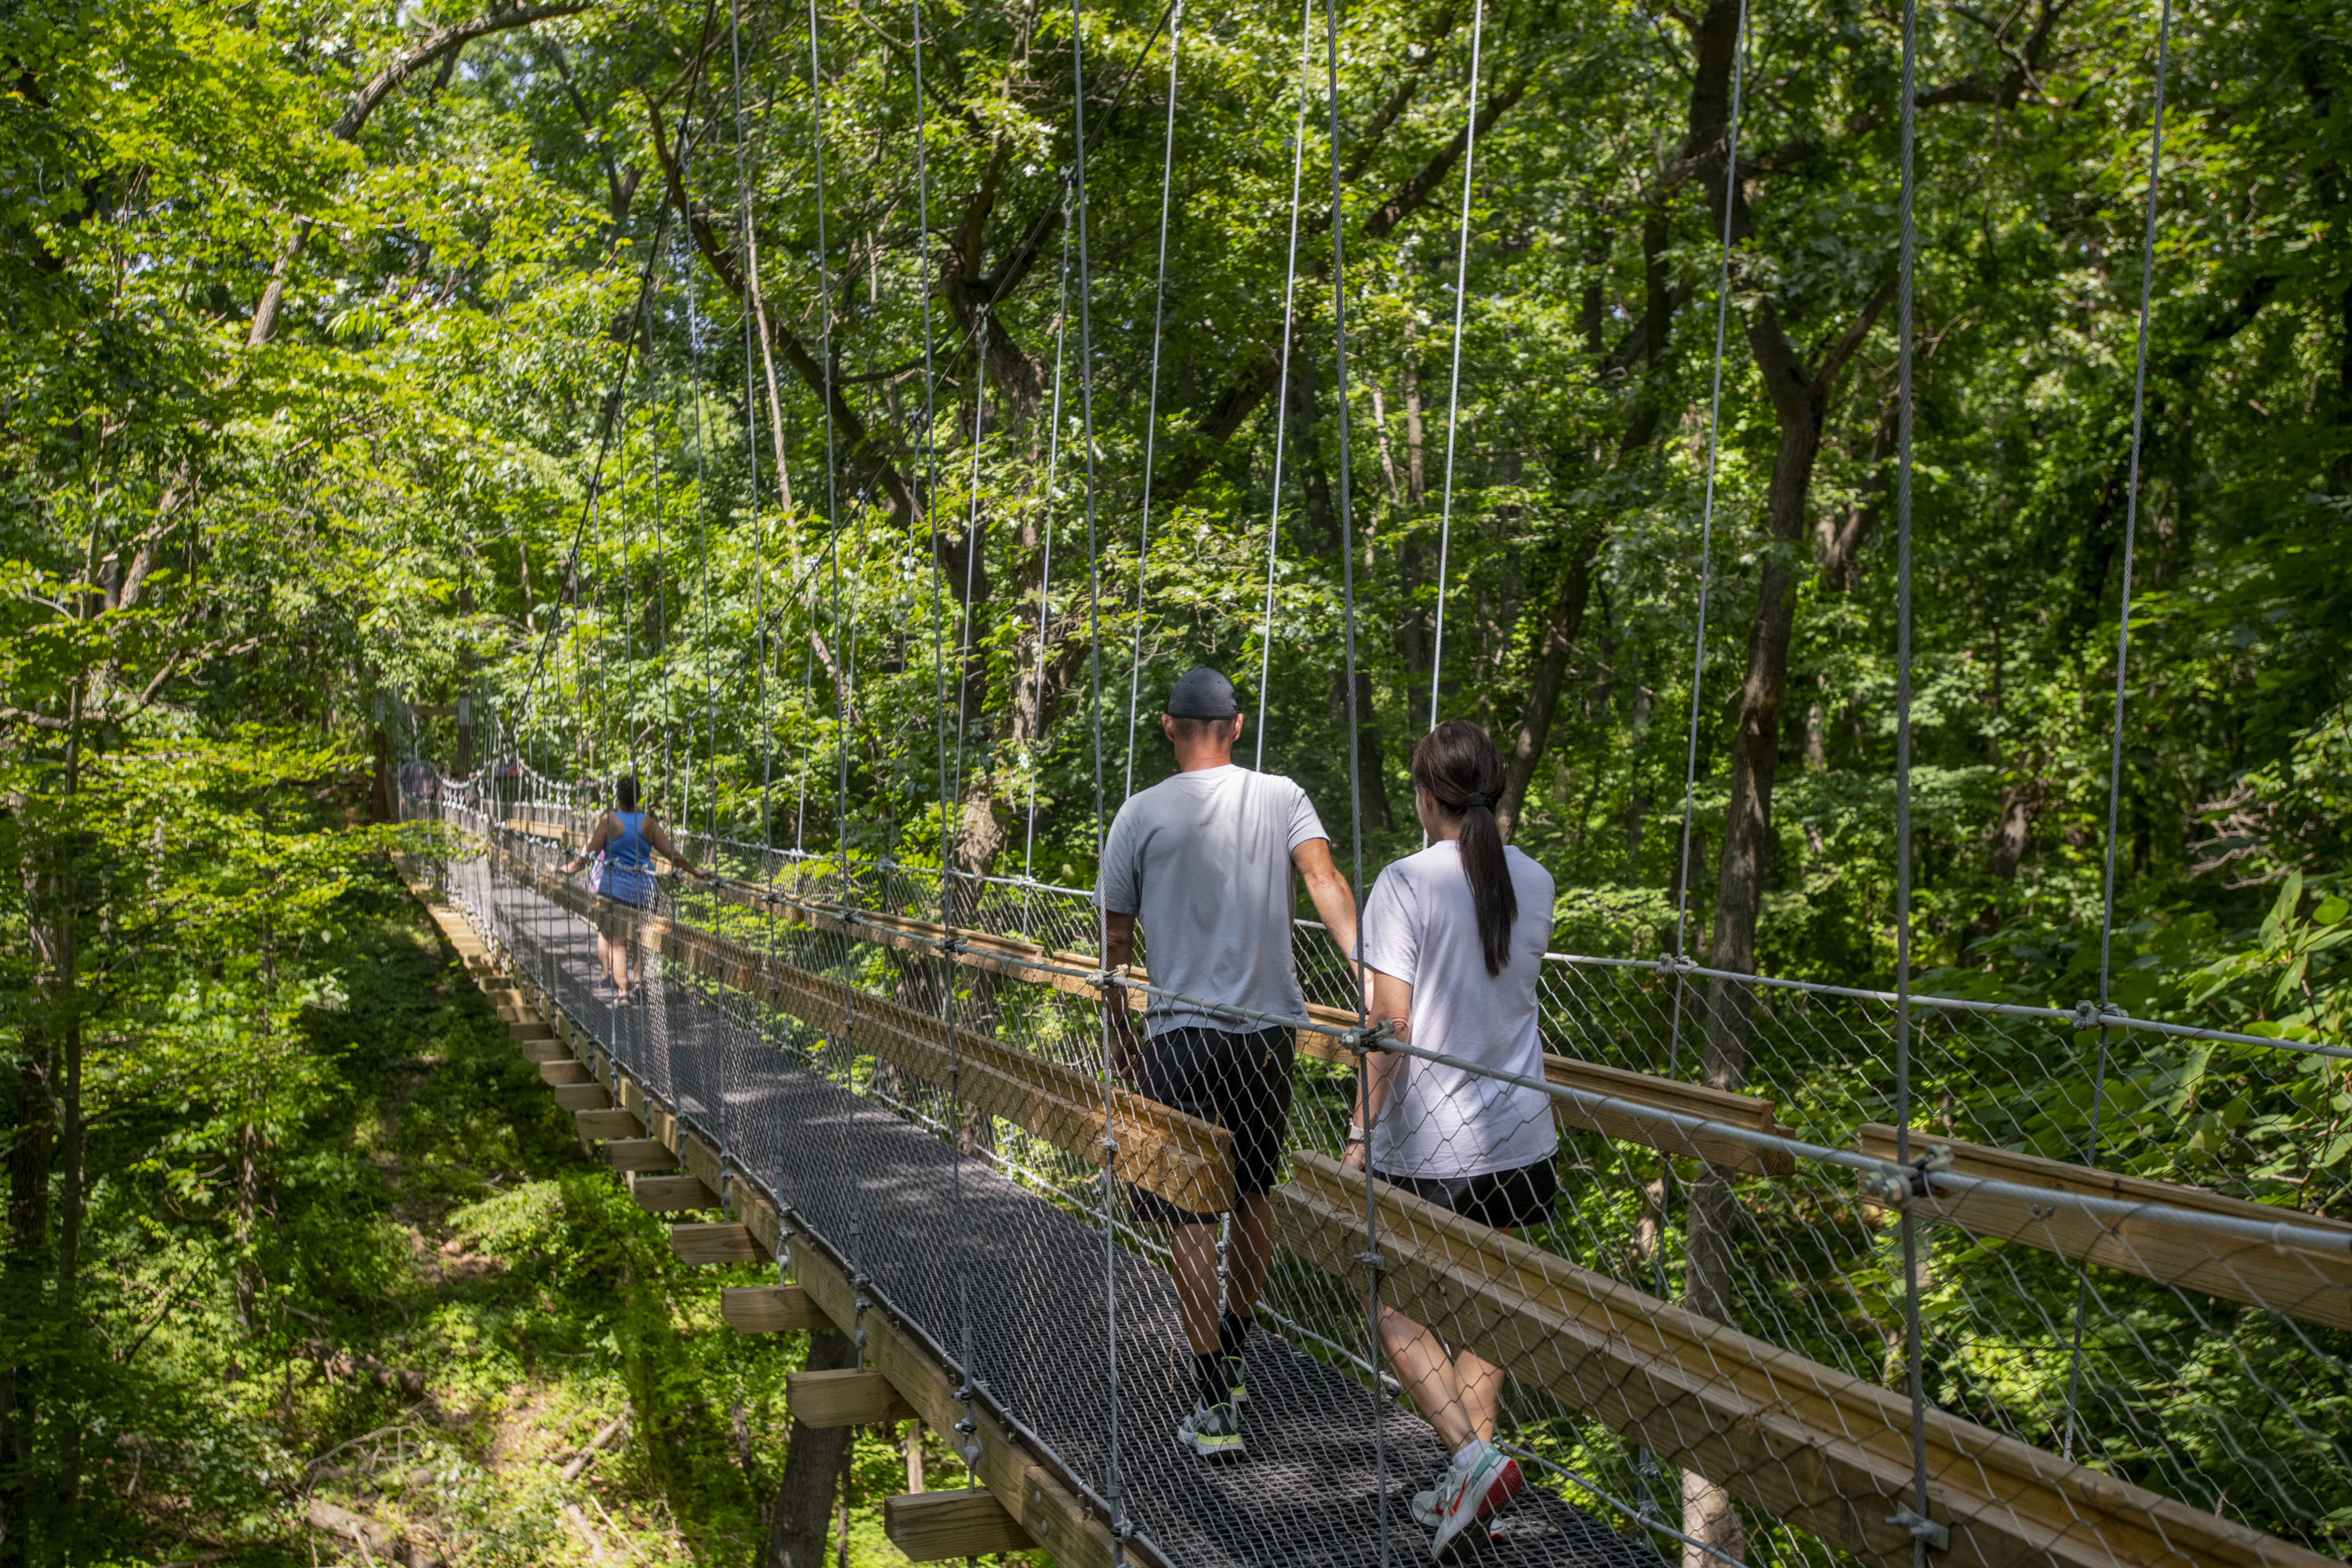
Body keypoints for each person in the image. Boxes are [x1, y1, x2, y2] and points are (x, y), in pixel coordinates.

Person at [1098, 666, 1363, 1461]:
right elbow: (1325, 878)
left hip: (1178, 1034)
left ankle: (1213, 1392)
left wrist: (1118, 1032)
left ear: (1170, 728)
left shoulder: (1139, 814)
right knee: (1252, 1190)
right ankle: (1236, 1358)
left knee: (1188, 1212)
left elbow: (1114, 946)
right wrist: (1371, 977)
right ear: (1238, 726)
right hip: (1266, 1031)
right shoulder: (1282, 795)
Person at [1345, 720, 1559, 1555]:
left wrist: (1359, 1133)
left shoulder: (1404, 881)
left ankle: (1472, 1460)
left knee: (1390, 1302)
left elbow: (1389, 1025)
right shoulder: (1536, 879)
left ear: (1425, 795)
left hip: (1429, 1142)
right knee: (1488, 1316)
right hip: (1519, 1134)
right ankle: (1480, 1495)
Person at [557, 774, 710, 1003]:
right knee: (640, 939)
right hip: (645, 891)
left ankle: (623, 992)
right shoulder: (648, 824)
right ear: (639, 797)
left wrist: (569, 868)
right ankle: (639, 980)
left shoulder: (608, 822)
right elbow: (673, 855)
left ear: (618, 797)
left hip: (616, 891)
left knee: (618, 942)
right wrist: (695, 872)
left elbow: (588, 855)